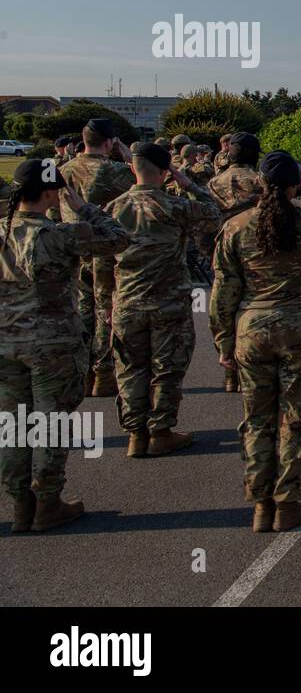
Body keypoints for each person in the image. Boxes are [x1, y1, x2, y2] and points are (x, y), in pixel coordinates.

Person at [211, 152, 301, 532]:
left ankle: (260, 503)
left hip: (252, 328)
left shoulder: (236, 228)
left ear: (260, 184)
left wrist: (223, 341)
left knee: (257, 419)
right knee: (296, 418)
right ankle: (288, 501)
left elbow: (223, 291)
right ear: (297, 185)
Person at [1, 159, 129, 532]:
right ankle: (47, 502)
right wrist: (82, 205)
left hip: (7, 344)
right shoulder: (59, 234)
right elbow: (118, 237)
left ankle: (20, 504)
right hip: (52, 343)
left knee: (12, 425)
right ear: (50, 193)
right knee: (50, 423)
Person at [107, 143, 221, 457]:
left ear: (133, 168)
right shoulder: (175, 205)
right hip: (168, 301)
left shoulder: (113, 209)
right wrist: (188, 184)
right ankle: (160, 430)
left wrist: (105, 303)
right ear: (164, 171)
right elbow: (213, 214)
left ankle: (134, 434)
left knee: (131, 368)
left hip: (127, 300)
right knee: (167, 368)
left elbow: (101, 261)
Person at [59, 118, 135, 398]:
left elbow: (54, 213)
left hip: (72, 248)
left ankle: (83, 372)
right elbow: (144, 182)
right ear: (109, 142)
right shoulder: (112, 170)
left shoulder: (63, 170)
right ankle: (103, 373)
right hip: (104, 246)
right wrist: (126, 156)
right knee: (105, 310)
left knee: (81, 310)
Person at [209, 132, 264, 391]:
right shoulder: (257, 181)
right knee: (250, 308)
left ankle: (229, 367)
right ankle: (247, 368)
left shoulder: (213, 183)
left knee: (223, 308)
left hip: (222, 249)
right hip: (255, 249)